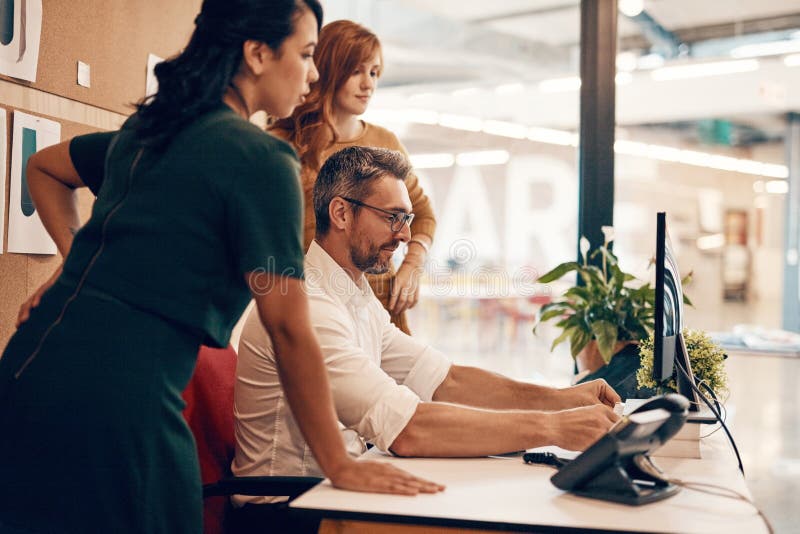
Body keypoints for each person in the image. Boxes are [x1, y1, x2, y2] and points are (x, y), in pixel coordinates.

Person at [0, 3, 442, 533]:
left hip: (31, 367)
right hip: (124, 401)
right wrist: (338, 463)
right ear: (257, 54)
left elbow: (43, 167)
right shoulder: (262, 160)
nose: (315, 72)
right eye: (305, 54)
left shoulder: (153, 129)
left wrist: (79, 265)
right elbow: (289, 328)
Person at [233, 146, 621, 495]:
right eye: (393, 218)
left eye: (408, 218)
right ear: (340, 213)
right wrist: (554, 429)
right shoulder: (312, 305)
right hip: (286, 507)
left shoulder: (353, 294)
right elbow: (408, 431)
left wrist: (559, 401)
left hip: (331, 491)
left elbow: (445, 380)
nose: (405, 235)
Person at [270, 20, 434, 334]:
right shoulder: (283, 143)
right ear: (330, 68)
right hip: (315, 307)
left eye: (374, 73)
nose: (368, 84)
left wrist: (412, 265)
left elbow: (422, 214)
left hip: (382, 309)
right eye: (357, 70)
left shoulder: (385, 143)